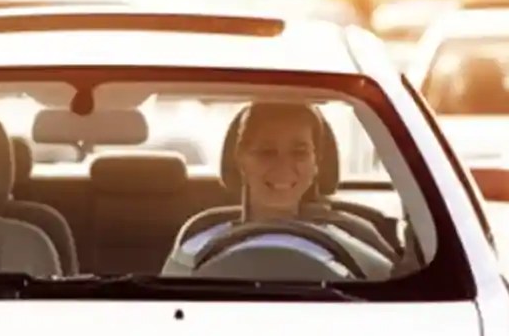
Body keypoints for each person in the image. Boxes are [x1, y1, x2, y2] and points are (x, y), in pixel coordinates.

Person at [163, 102, 390, 276]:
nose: (283, 167)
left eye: (299, 152)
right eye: (266, 152)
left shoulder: (357, 235)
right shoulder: (197, 239)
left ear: (316, 163)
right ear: (240, 159)